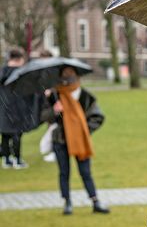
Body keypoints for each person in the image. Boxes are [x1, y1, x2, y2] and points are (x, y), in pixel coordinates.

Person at [39, 66, 110, 215]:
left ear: (77, 77)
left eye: (70, 76)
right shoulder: (54, 95)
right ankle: (67, 202)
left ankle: (95, 201)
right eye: (64, 77)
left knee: (85, 172)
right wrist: (54, 110)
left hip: (80, 140)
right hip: (60, 139)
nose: (67, 79)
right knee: (64, 172)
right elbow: (43, 116)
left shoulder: (85, 96)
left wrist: (84, 129)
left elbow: (98, 117)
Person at [0, 47, 37, 169]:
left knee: (5, 135)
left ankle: (6, 160)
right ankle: (17, 160)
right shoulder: (22, 73)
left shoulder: (2, 72)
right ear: (20, 59)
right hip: (17, 109)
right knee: (16, 135)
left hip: (4, 110)